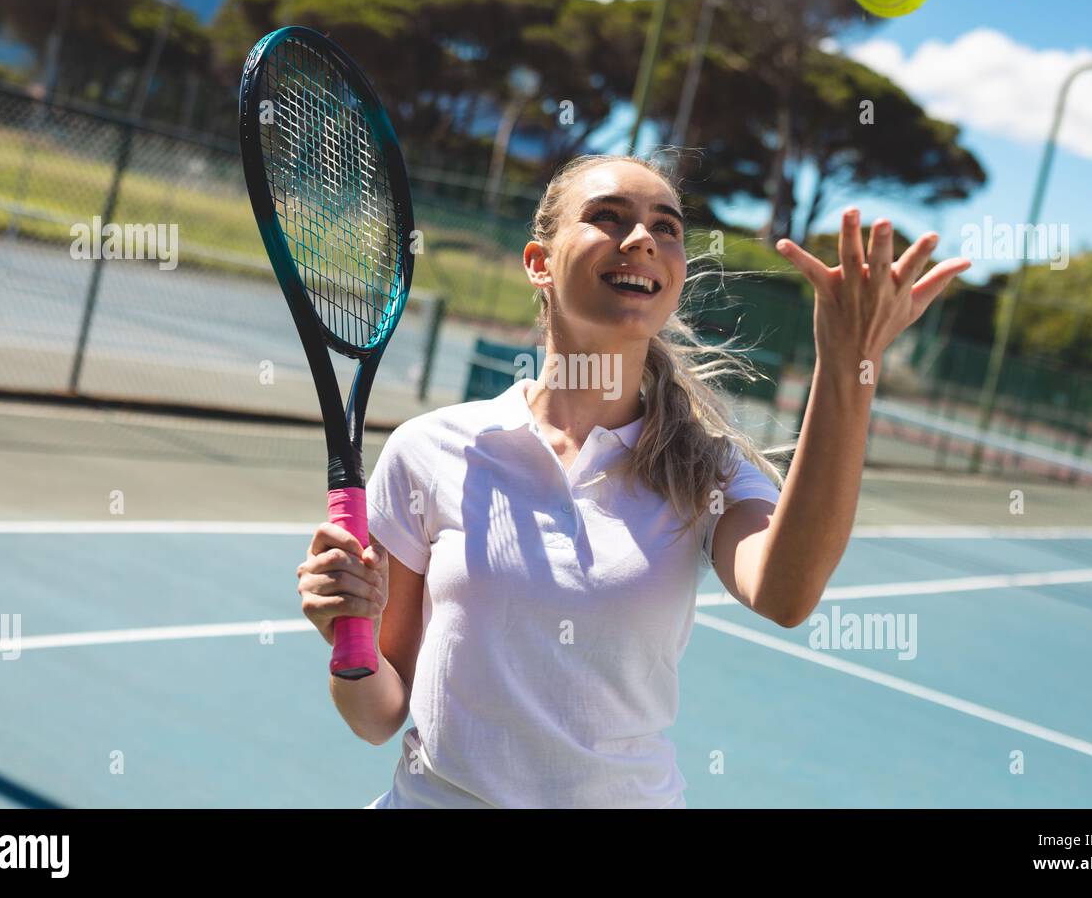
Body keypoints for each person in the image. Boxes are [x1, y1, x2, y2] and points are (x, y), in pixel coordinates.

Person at [296, 153, 970, 808]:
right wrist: (346, 638)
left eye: (666, 226)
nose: (643, 238)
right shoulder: (430, 450)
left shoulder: (709, 469)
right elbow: (376, 716)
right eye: (609, 217)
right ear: (539, 264)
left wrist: (848, 361)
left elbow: (786, 593)